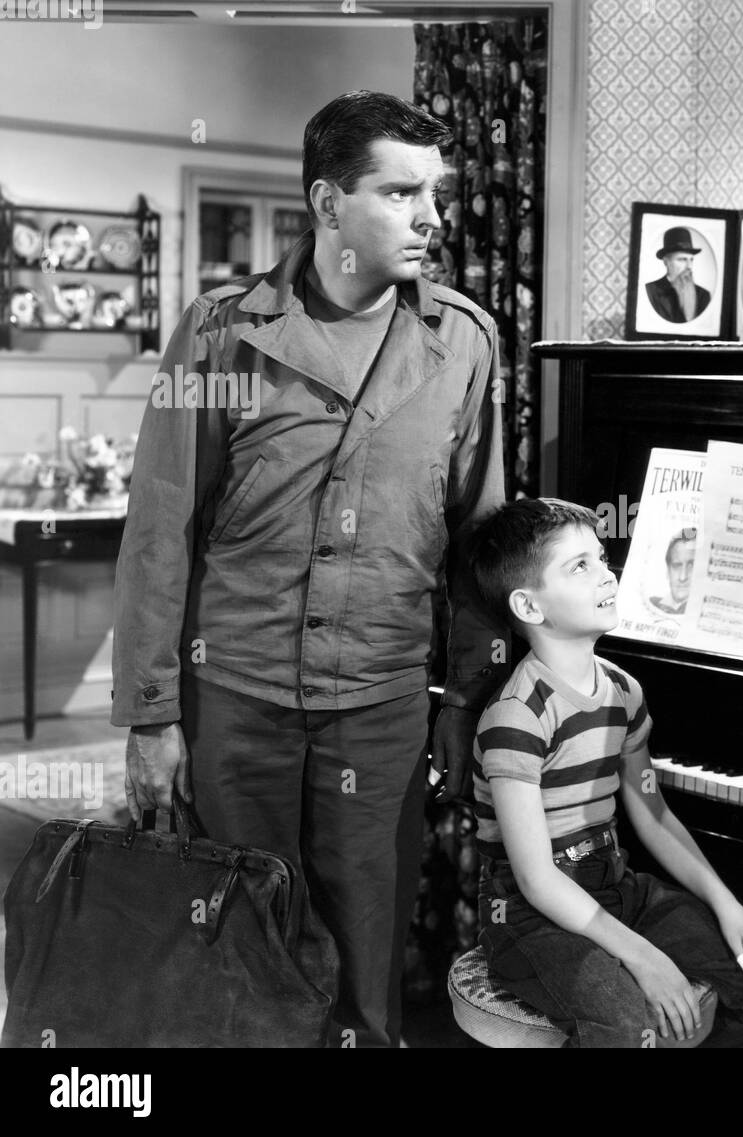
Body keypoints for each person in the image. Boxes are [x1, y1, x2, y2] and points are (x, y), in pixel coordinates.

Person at [111, 90, 512, 1048]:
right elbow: (158, 531)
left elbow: (478, 543)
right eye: (401, 192)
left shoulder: (463, 341)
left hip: (379, 709)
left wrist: (465, 700)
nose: (431, 217)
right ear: (328, 205)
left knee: (367, 968)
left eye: (438, 193)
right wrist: (151, 716)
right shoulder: (216, 334)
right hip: (234, 701)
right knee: (234, 953)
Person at [467, 498, 743, 1047]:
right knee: (628, 1023)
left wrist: (728, 905)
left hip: (614, 886)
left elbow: (653, 815)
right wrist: (645, 957)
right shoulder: (517, 716)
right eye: (580, 567)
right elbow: (535, 879)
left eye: (601, 558)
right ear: (529, 606)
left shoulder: (623, 692)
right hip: (530, 916)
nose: (608, 573)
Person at [644, 226, 711, 323]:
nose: (689, 266)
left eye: (691, 260)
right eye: (682, 259)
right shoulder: (650, 291)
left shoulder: (703, 295)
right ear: (666, 262)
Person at [647, 526, 696, 616]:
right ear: (668, 572)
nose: (683, 577)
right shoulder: (650, 603)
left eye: (691, 566)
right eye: (677, 565)